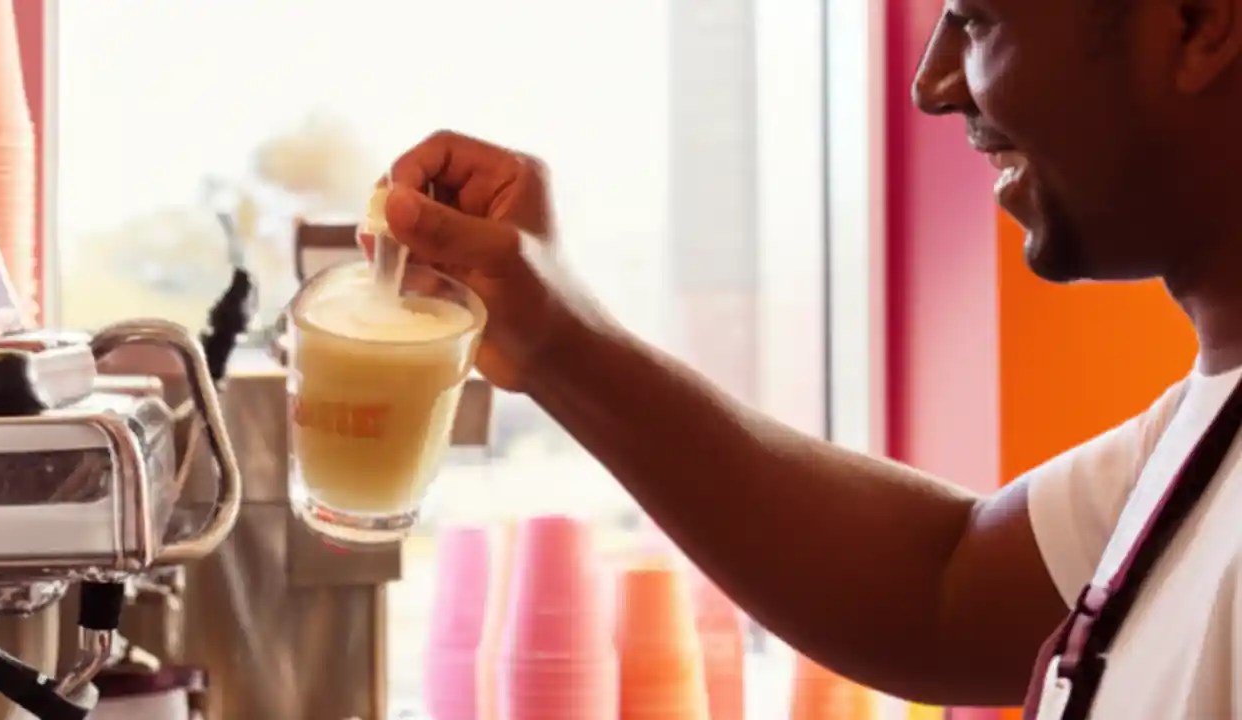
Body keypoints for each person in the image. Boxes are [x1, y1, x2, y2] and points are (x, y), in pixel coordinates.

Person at [366, 0, 1242, 716]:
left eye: (976, 19)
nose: (932, 84)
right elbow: (940, 589)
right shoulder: (1205, 424)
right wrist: (556, 338)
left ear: (1198, 23)